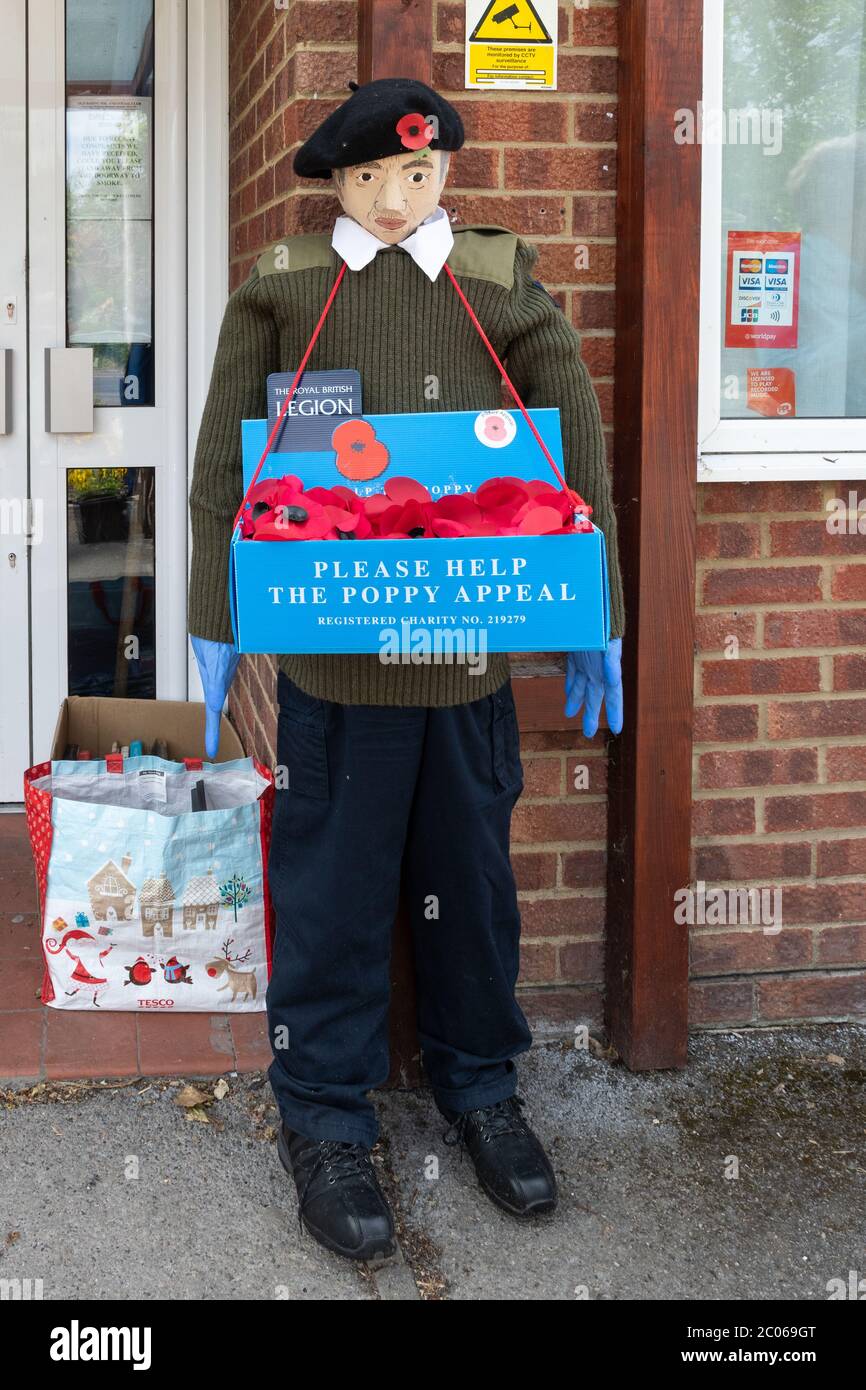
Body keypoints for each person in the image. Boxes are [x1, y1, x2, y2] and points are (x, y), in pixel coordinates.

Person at [188, 78, 624, 1263]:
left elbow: (568, 427)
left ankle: (481, 1088)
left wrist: (597, 608)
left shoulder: (493, 279)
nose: (393, 199)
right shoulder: (285, 282)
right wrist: (216, 604)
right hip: (335, 676)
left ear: (445, 175)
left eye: (416, 177)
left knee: (472, 890)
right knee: (329, 899)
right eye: (370, 177)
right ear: (336, 180)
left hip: (466, 667)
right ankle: (323, 1117)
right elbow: (227, 445)